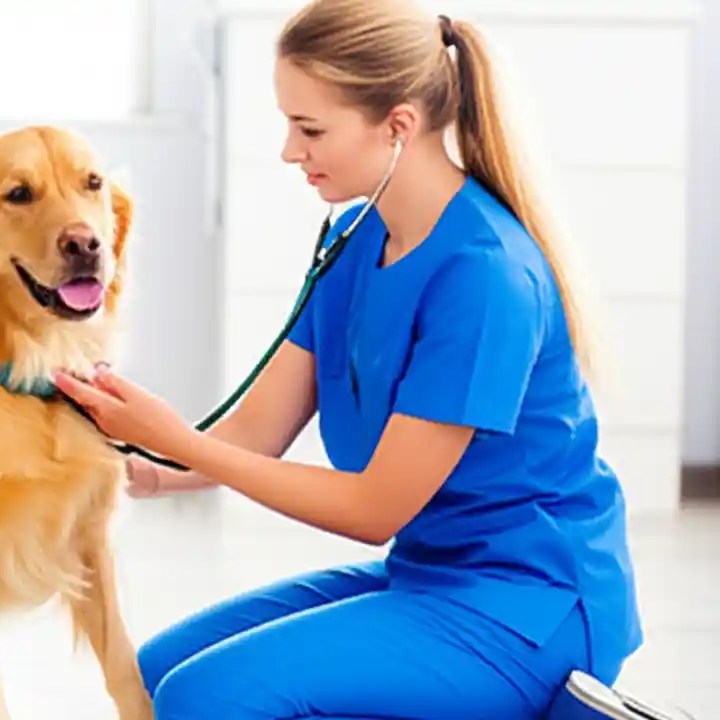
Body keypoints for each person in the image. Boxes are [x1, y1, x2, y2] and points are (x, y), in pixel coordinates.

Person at [51, 0, 643, 718]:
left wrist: (176, 439)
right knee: (150, 674)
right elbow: (253, 435)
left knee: (205, 699)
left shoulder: (485, 278)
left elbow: (373, 508)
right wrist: (134, 462)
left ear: (399, 126)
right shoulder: (357, 239)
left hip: (529, 607)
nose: (289, 151)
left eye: (310, 129)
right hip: (435, 572)